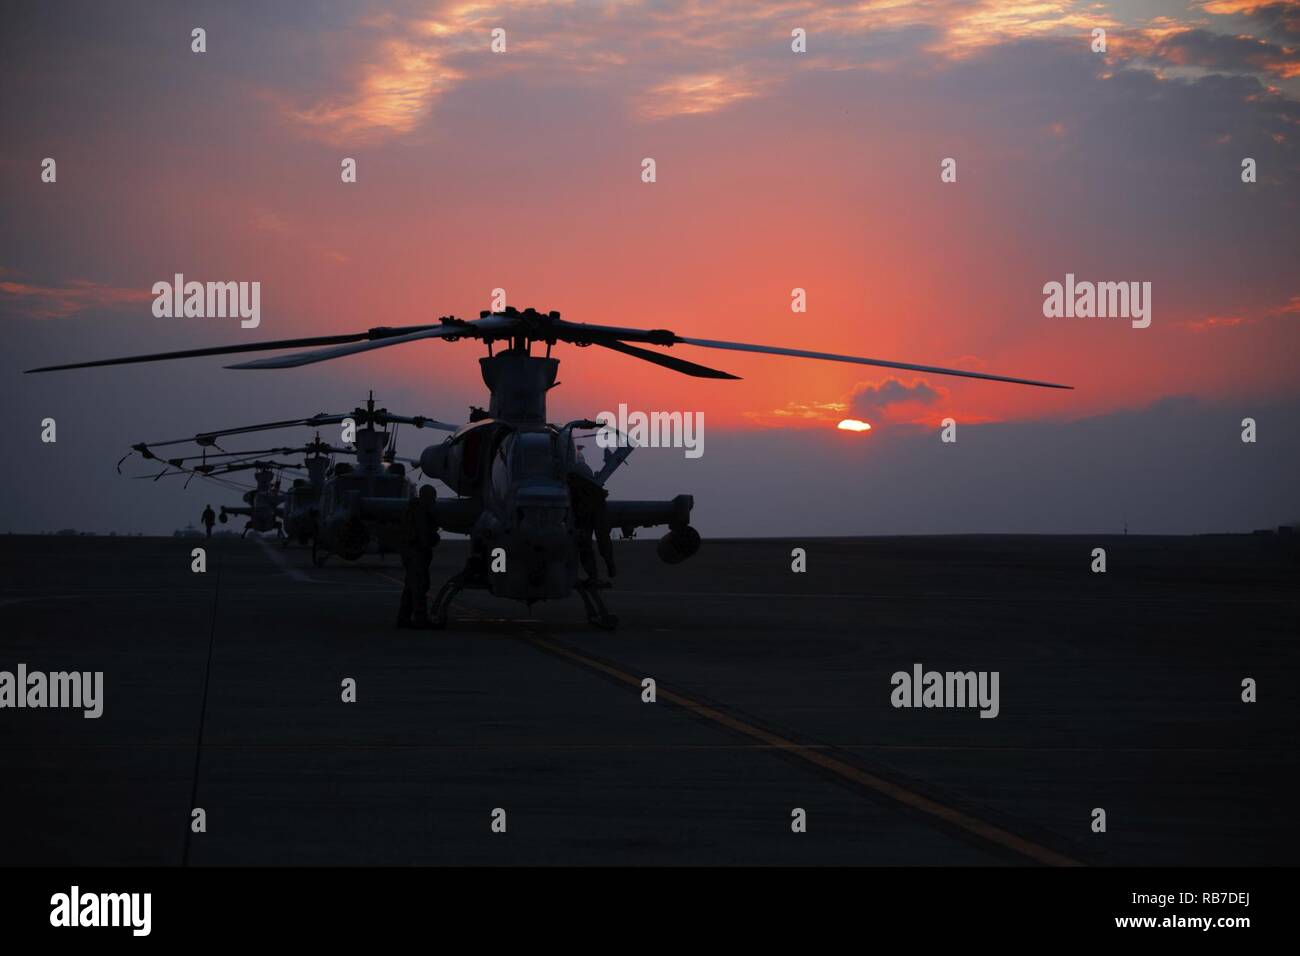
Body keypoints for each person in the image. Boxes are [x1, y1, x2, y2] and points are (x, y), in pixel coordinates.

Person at [396, 485, 438, 629]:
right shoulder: (420, 512)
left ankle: (404, 618)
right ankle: (421, 619)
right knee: (419, 587)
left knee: (411, 586)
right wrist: (433, 539)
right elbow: (424, 536)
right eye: (432, 497)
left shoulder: (414, 510)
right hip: (416, 554)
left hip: (412, 553)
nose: (434, 501)